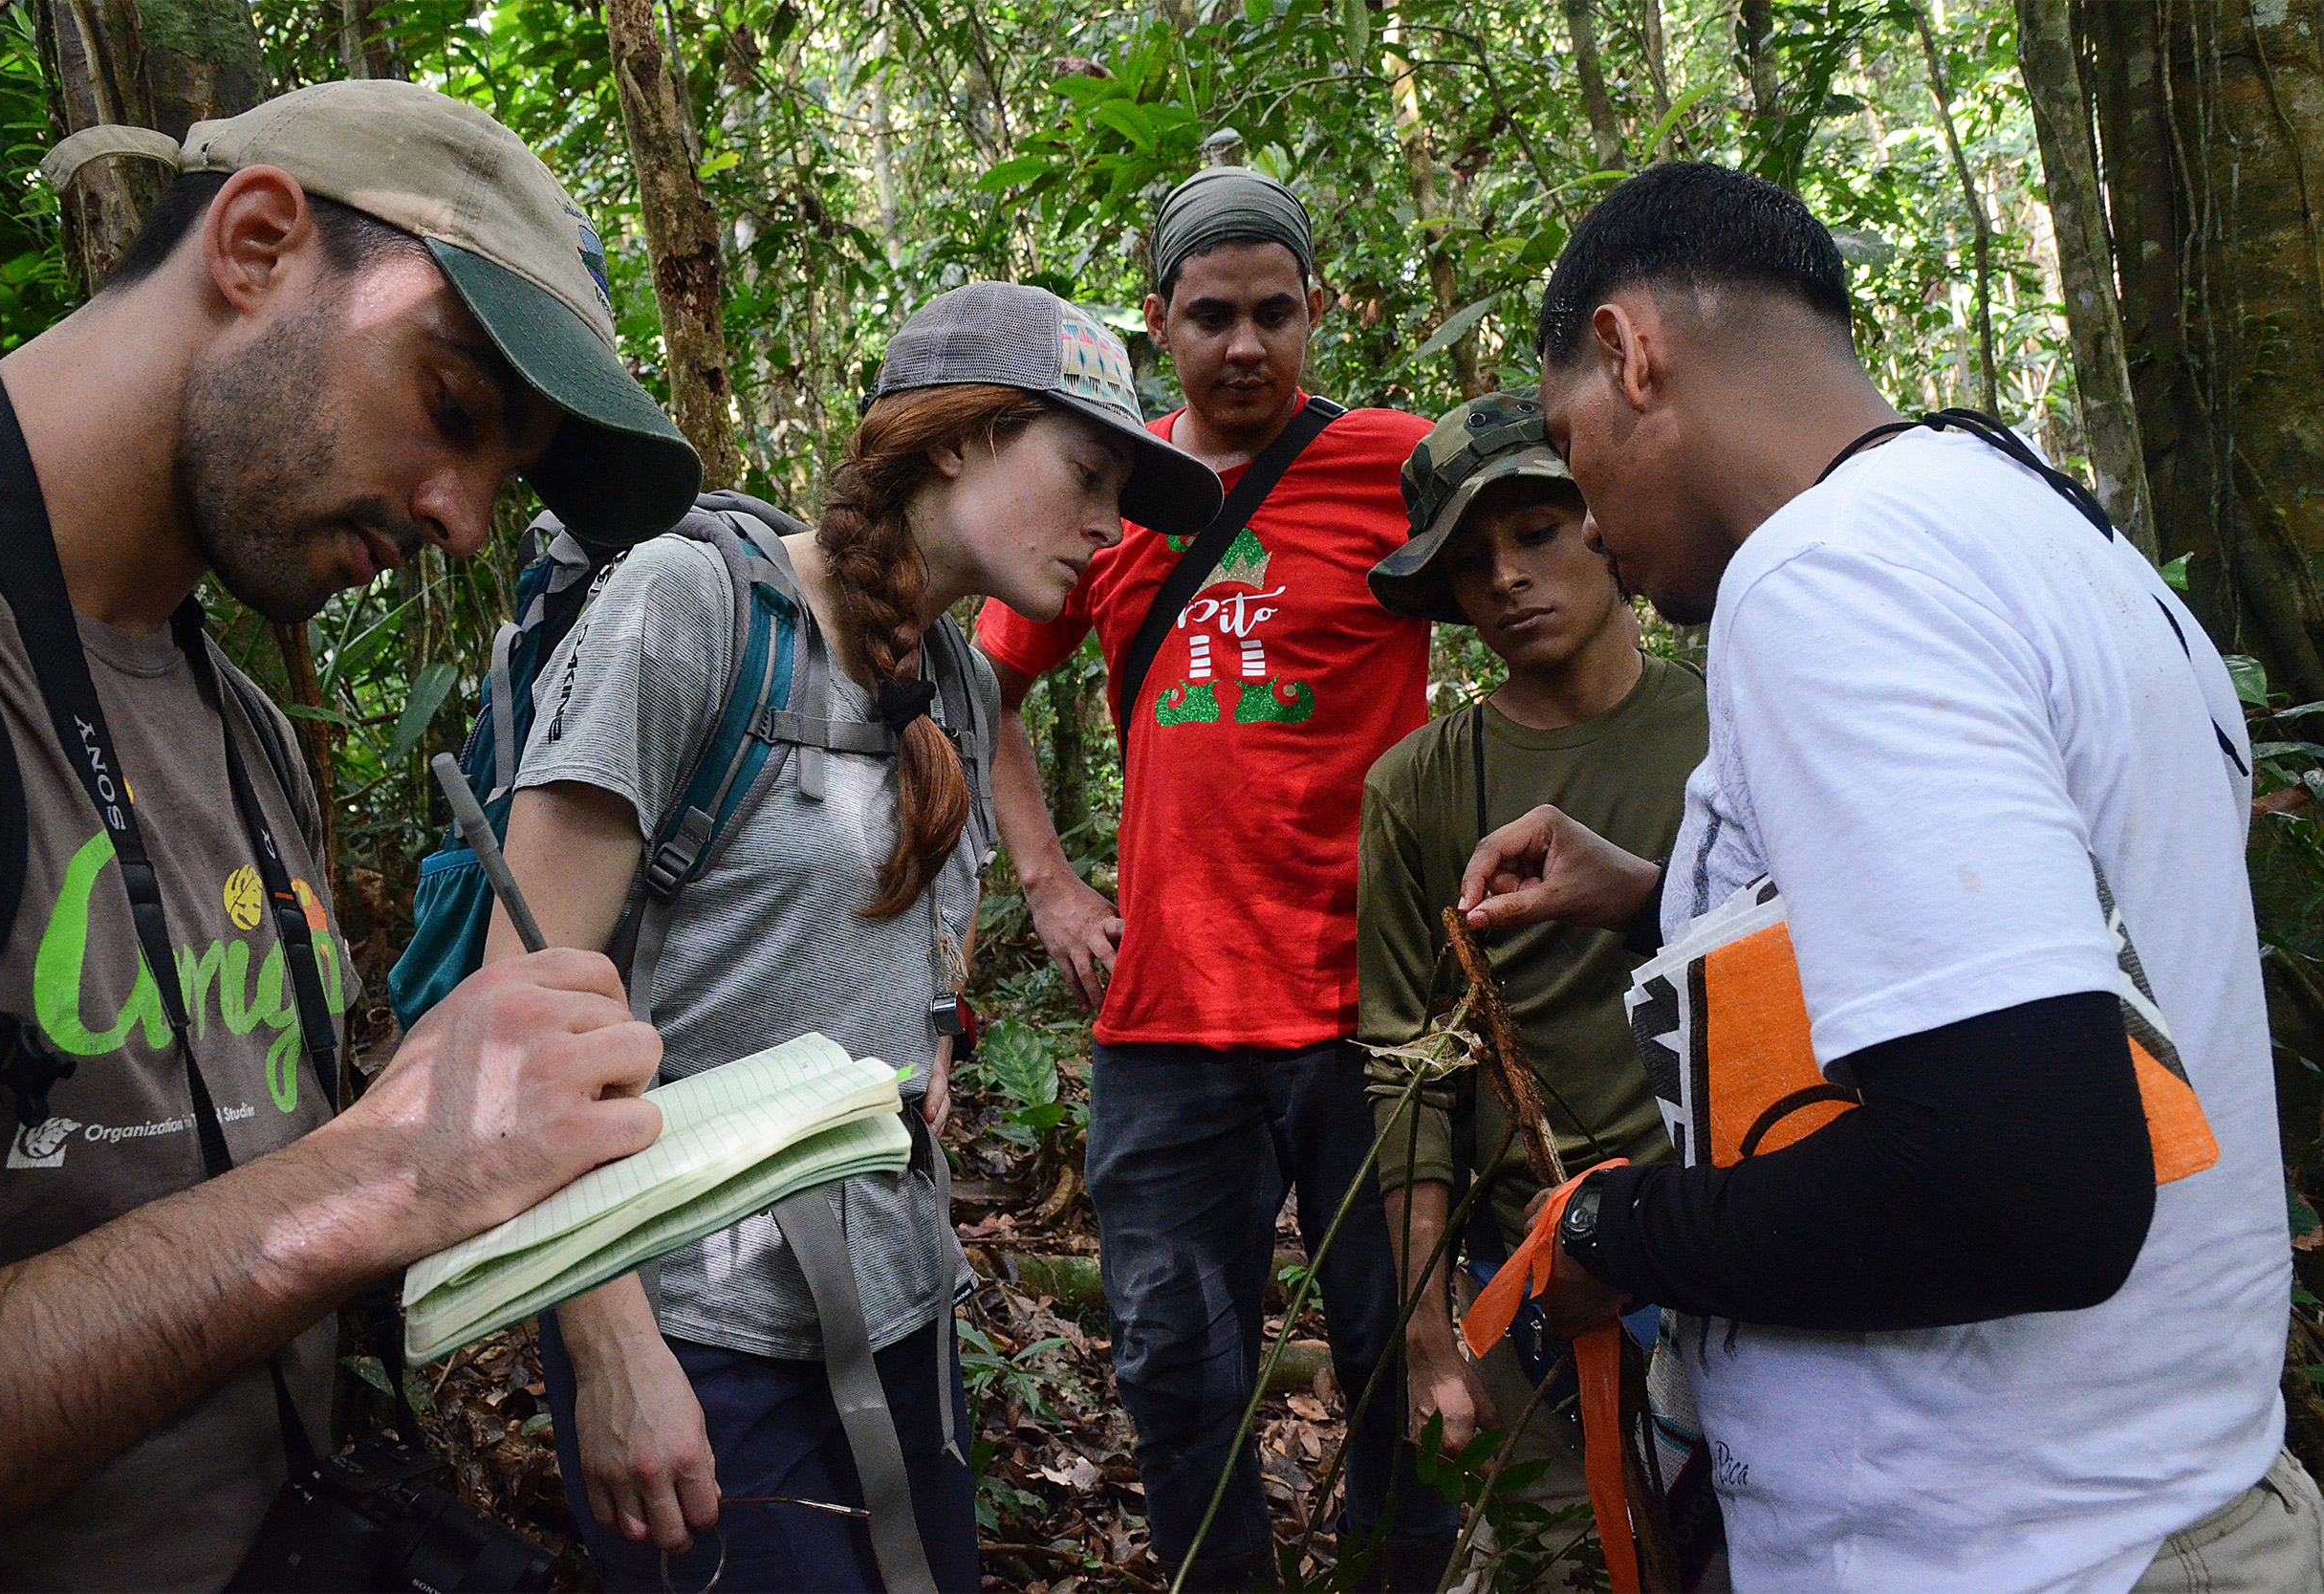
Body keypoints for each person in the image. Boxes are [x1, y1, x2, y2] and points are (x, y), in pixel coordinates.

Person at [1461, 160, 2320, 1591]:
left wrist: (1620, 1229)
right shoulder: (2058, 536)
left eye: (1570, 443)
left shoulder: (1827, 573)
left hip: (2021, 1545)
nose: (1591, 519)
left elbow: (2024, 1187)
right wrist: (1661, 893)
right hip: (2172, 1492)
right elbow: (2064, 929)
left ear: (1629, 352)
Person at [0, 79, 692, 1586]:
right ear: (259, 244)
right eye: (455, 410)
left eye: (504, 480)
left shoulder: (249, 734)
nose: (462, 519)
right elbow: (336, 1190)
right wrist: (374, 1176)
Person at [491, 280, 1220, 1591]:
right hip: (691, 1322)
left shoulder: (960, 684)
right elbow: (512, 1019)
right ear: (959, 437)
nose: (1110, 527)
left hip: (896, 1305)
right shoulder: (690, 607)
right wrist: (611, 1349)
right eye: (1087, 474)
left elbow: (908, 965)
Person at [978, 165, 1456, 1590]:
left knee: (1400, 1351)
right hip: (1169, 1012)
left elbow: (1542, 584)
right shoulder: (1109, 497)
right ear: (1158, 322)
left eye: (1273, 313)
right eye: (1210, 317)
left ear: (1316, 311)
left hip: (1377, 1008)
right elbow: (984, 691)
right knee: (1177, 1366)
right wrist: (1051, 885)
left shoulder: (1400, 467)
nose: (1245, 345)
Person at [1355, 391, 1705, 1568]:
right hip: (1538, 1287)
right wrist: (1430, 1339)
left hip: (1741, 1262)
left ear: (1603, 524)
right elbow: (1410, 1075)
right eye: (1468, 562)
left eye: (1537, 532)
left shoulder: (1736, 726)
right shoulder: (1421, 786)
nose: (1506, 576)